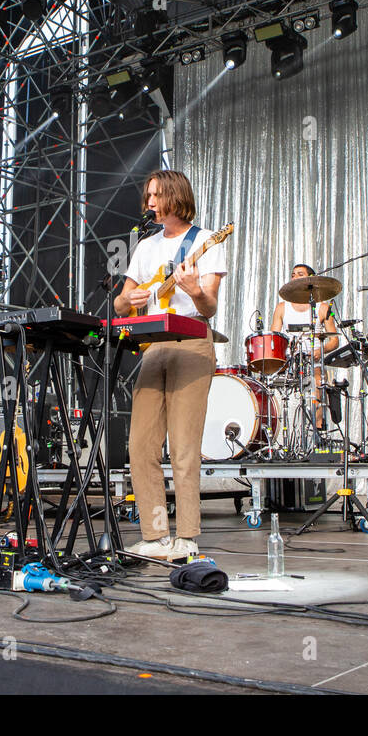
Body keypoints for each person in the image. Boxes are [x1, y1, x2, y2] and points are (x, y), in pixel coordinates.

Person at [114, 170, 227, 561]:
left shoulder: (206, 240)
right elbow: (119, 303)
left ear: (174, 197)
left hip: (192, 343)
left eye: (155, 195)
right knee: (140, 445)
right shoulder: (145, 246)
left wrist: (194, 289)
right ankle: (156, 533)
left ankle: (188, 535)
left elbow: (209, 305)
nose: (148, 202)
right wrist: (133, 298)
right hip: (153, 348)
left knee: (183, 446)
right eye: (147, 195)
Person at [270, 263, 339, 433]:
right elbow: (273, 339)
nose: (294, 277)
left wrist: (318, 352)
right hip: (289, 362)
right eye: (293, 274)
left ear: (310, 280)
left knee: (319, 382)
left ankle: (316, 432)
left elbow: (334, 340)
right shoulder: (281, 308)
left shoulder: (323, 308)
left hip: (313, 362)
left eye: (299, 274)